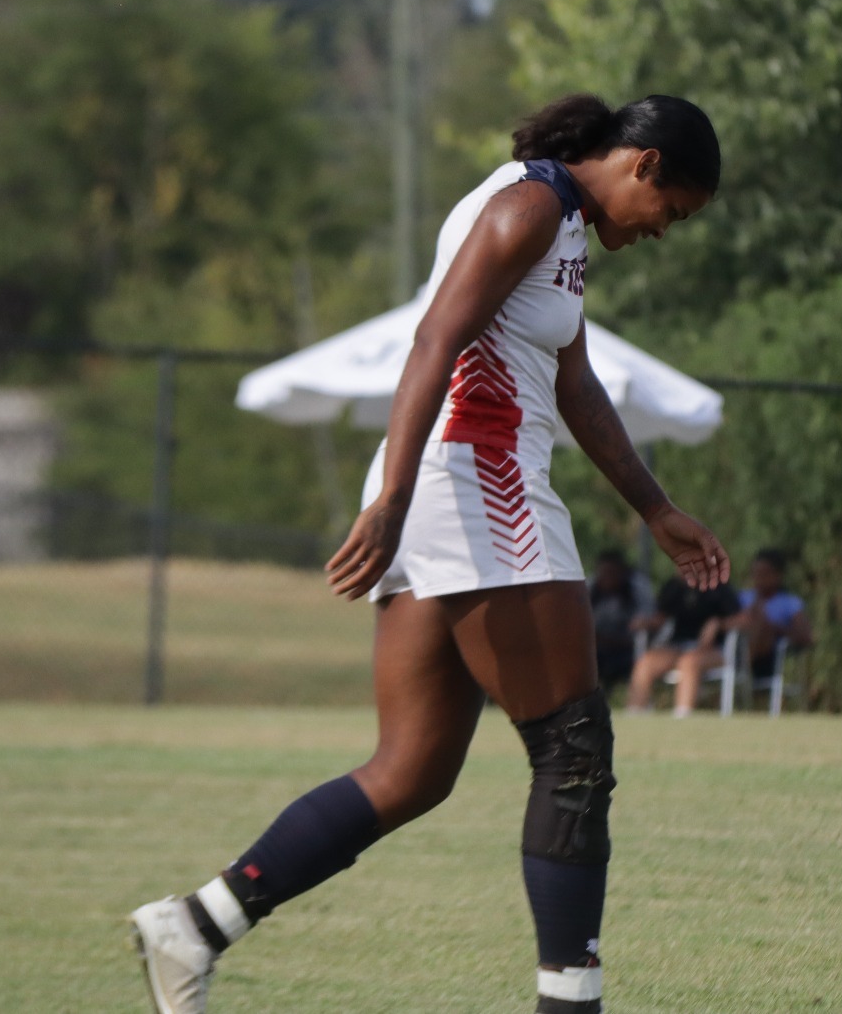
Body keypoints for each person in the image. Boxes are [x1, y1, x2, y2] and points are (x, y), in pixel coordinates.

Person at [131, 94, 730, 1014]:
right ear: (644, 164)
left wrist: (656, 508)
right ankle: (571, 1005)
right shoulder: (530, 206)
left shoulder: (564, 225)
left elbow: (573, 381)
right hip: (473, 483)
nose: (663, 231)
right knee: (573, 751)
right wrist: (394, 501)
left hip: (449, 488)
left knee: (410, 770)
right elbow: (433, 341)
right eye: (672, 211)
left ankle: (194, 926)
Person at [623, 566, 740, 715]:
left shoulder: (718, 586)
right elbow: (661, 617)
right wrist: (645, 622)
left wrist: (718, 624)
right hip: (678, 647)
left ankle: (683, 714)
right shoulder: (674, 587)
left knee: (689, 662)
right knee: (646, 662)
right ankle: (634, 713)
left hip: (711, 649)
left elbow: (743, 619)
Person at [721, 548, 812, 684]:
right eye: (756, 573)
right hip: (736, 647)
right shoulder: (742, 598)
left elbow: (806, 637)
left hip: (769, 657)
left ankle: (743, 671)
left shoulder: (790, 603)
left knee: (760, 624)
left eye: (764, 574)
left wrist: (773, 628)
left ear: (778, 575)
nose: (759, 578)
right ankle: (740, 667)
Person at [588, 547, 652, 687]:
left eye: (612, 573)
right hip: (596, 650)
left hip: (627, 651)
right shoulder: (591, 589)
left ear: (622, 572)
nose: (608, 577)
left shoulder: (635, 588)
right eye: (604, 573)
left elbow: (644, 621)